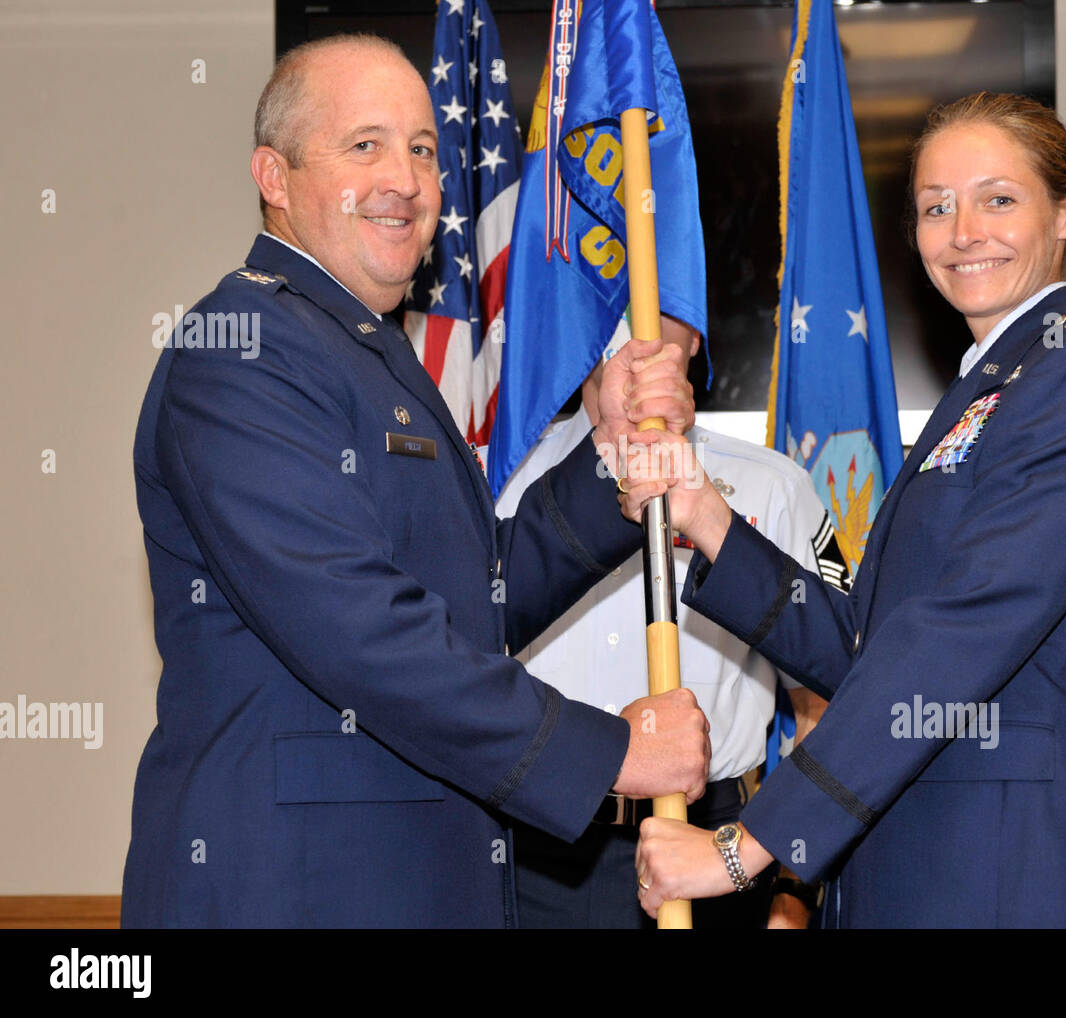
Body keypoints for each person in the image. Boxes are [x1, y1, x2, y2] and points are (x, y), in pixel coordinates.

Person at [123, 33, 711, 928]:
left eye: (424, 150)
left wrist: (613, 455)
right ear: (273, 179)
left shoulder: (365, 350)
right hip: (294, 891)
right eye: (365, 145)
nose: (406, 178)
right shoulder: (243, 348)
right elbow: (358, 627)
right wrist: (608, 753)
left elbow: (476, 595)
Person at [631, 92, 1066, 928]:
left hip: (1016, 875)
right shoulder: (983, 387)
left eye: (998, 199)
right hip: (922, 866)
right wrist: (706, 516)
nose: (963, 232)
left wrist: (746, 846)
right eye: (935, 207)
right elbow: (868, 648)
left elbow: (961, 632)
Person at [495, 316, 834, 929]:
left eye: (659, 302)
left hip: (716, 848)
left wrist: (792, 886)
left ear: (696, 335)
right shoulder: (503, 476)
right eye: (610, 295)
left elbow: (824, 697)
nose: (633, 321)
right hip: (535, 850)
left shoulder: (772, 486)